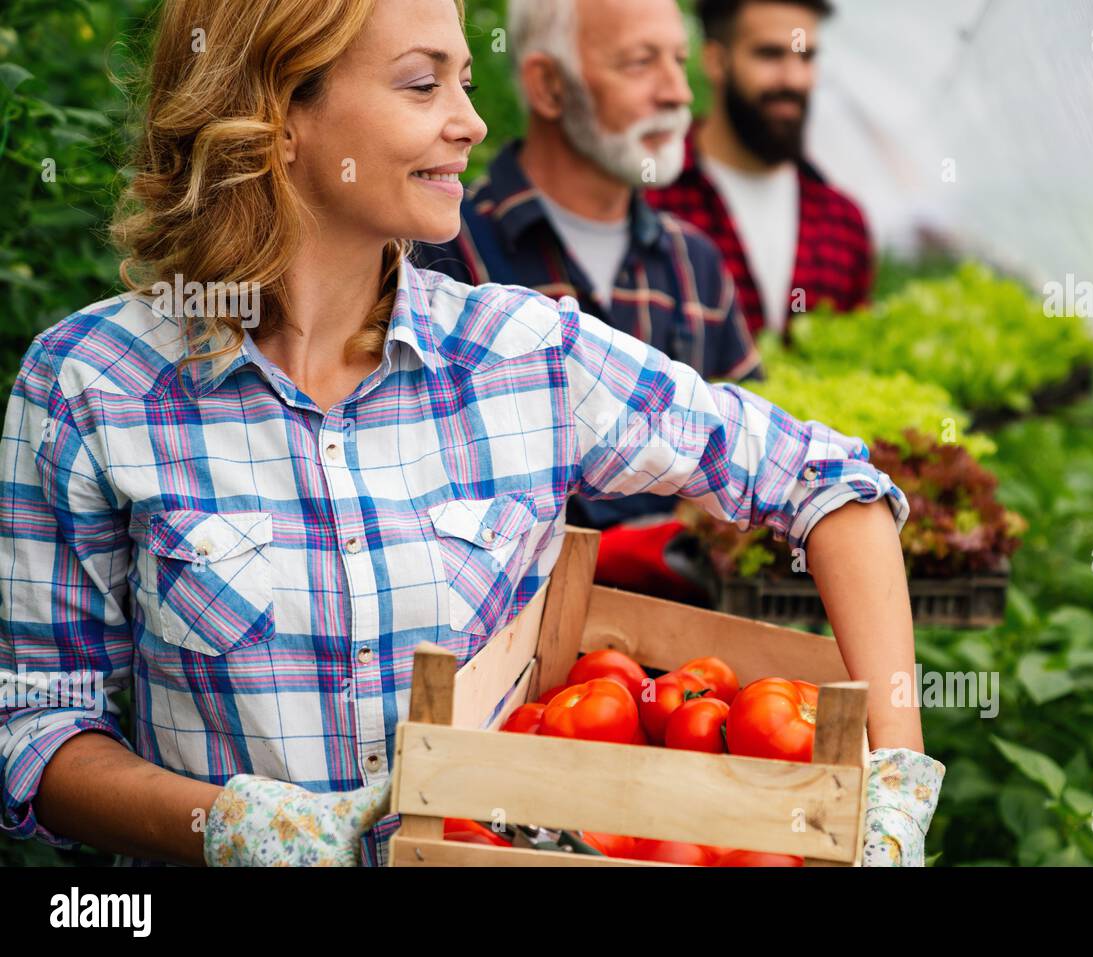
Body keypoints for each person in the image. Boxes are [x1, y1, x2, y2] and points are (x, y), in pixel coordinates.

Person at [0, 0, 942, 867]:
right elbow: (39, 729)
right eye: (422, 84)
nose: (472, 122)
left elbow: (830, 482)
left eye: (466, 79)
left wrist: (895, 771)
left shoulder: (526, 353)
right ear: (278, 115)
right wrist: (230, 823)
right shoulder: (90, 385)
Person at [414, 0, 760, 545]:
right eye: (641, 63)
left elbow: (749, 466)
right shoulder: (440, 253)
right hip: (505, 629)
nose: (678, 93)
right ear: (549, 86)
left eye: (679, 60)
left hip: (683, 625)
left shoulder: (697, 265)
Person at [646, 0, 875, 338]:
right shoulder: (652, 195)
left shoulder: (843, 223)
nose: (794, 79)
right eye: (770, 55)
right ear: (715, 60)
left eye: (807, 57)